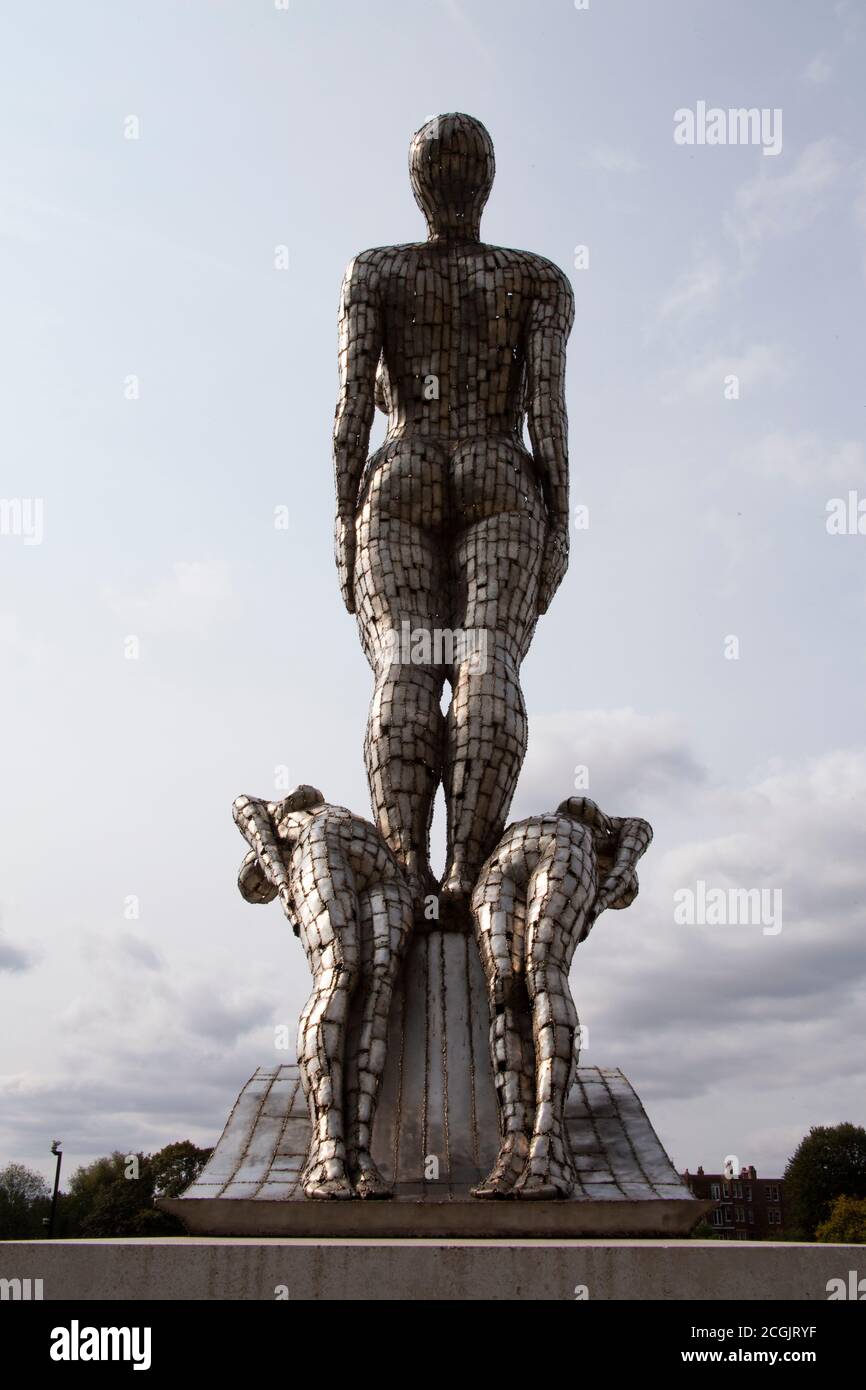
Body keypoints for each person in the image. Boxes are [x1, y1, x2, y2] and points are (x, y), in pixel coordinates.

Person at [333, 113, 574, 920]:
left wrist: (342, 522)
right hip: (498, 471)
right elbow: (547, 412)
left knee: (405, 662)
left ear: (417, 185)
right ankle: (466, 871)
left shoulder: (375, 271)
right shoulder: (536, 279)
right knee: (485, 659)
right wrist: (561, 521)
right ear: (488, 179)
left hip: (401, 471)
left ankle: (406, 872)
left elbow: (348, 416)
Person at [233, 785, 413, 1199]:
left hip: (372, 863)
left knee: (375, 991)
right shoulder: (306, 834)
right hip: (368, 861)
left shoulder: (279, 819)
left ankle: (360, 1152)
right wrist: (291, 891)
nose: (265, 890)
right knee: (342, 974)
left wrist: (280, 878)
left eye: (257, 885)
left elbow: (243, 806)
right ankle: (330, 1148)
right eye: (261, 892)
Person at [471, 796, 653, 1198]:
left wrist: (600, 894)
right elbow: (639, 826)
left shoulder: (583, 840)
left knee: (541, 974)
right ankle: (515, 1146)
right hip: (500, 864)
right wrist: (619, 875)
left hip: (549, 854)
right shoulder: (607, 830)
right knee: (504, 985)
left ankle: (546, 1144)